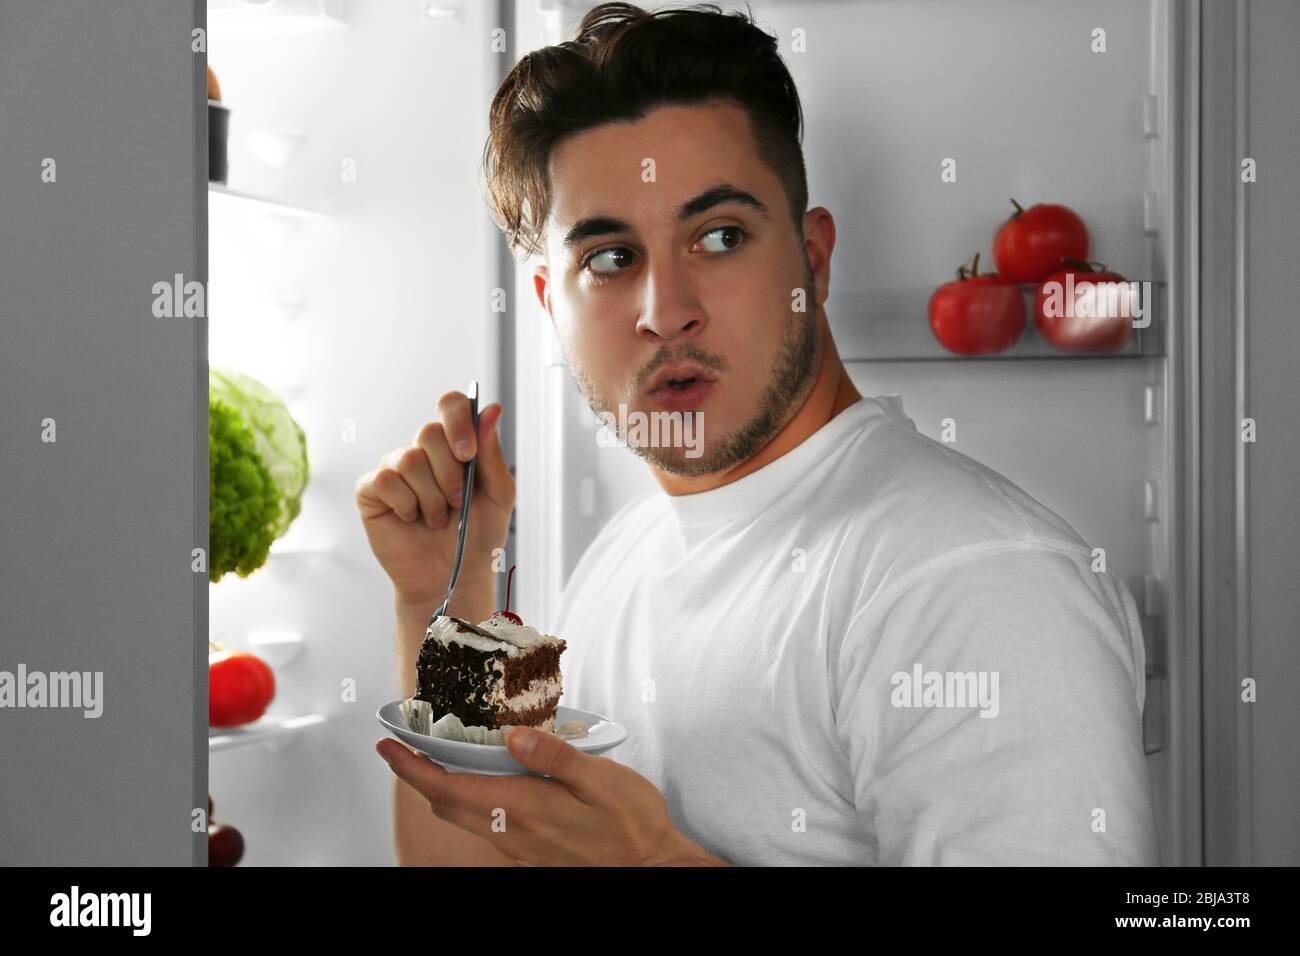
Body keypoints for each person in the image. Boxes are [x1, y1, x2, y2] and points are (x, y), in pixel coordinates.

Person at [355, 2, 1158, 866]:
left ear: (812, 260)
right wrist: (449, 598)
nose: (666, 311)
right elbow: (487, 855)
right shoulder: (623, 556)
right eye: (611, 258)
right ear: (554, 305)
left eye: (721, 235)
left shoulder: (973, 583)